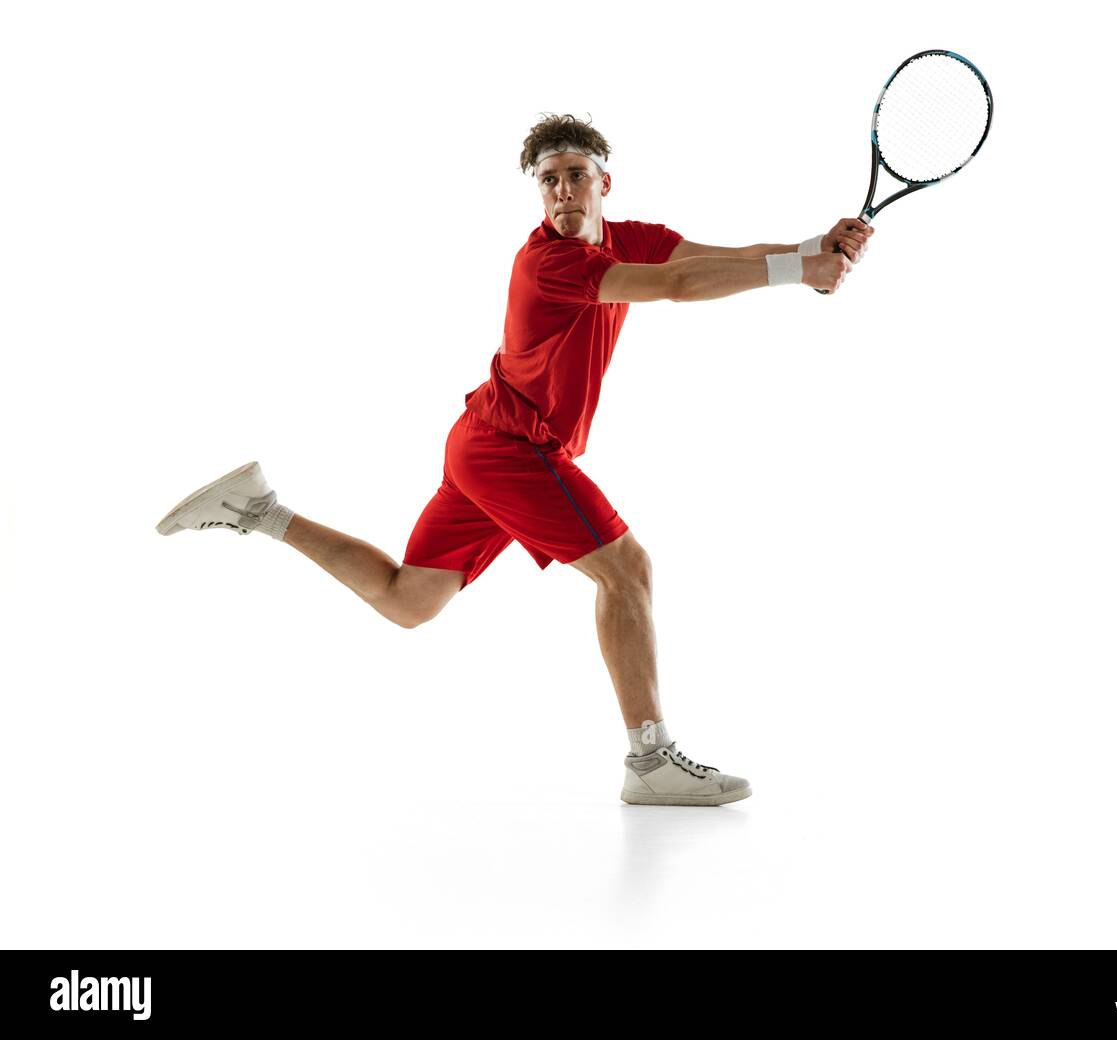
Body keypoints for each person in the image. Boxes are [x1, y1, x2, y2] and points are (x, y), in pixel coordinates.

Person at [155, 113, 872, 806]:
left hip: (481, 443)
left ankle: (258, 509)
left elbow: (699, 260)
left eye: (575, 177)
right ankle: (650, 760)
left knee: (411, 600)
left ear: (604, 183)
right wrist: (799, 271)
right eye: (549, 181)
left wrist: (812, 247)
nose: (562, 193)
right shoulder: (550, 262)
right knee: (627, 570)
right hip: (510, 450)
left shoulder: (630, 237)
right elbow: (678, 288)